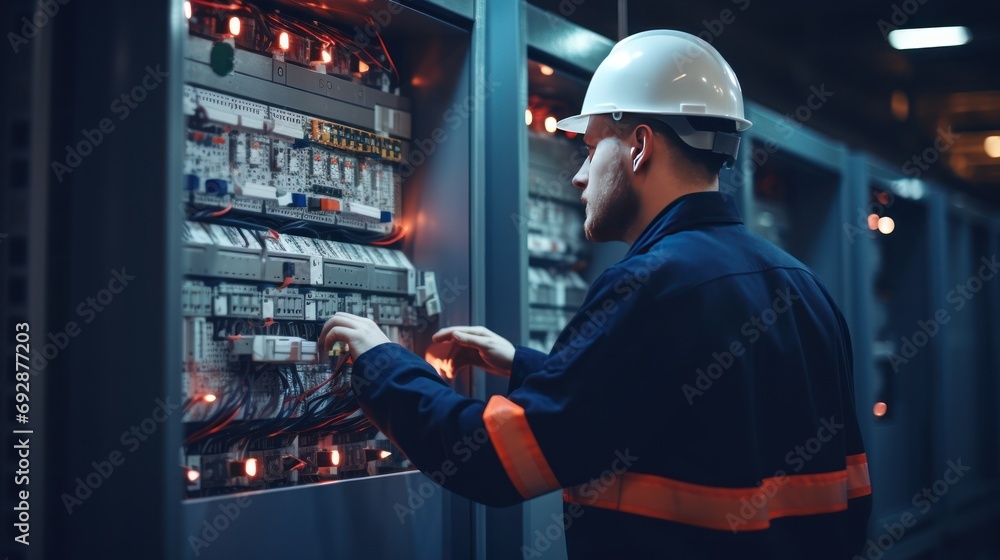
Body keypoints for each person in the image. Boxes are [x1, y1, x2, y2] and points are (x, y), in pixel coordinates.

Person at [319, 30, 871, 559]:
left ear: (639, 146)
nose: (579, 177)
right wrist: (528, 367)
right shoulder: (806, 289)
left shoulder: (655, 285)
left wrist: (381, 362)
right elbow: (843, 490)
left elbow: (494, 462)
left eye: (589, 149)